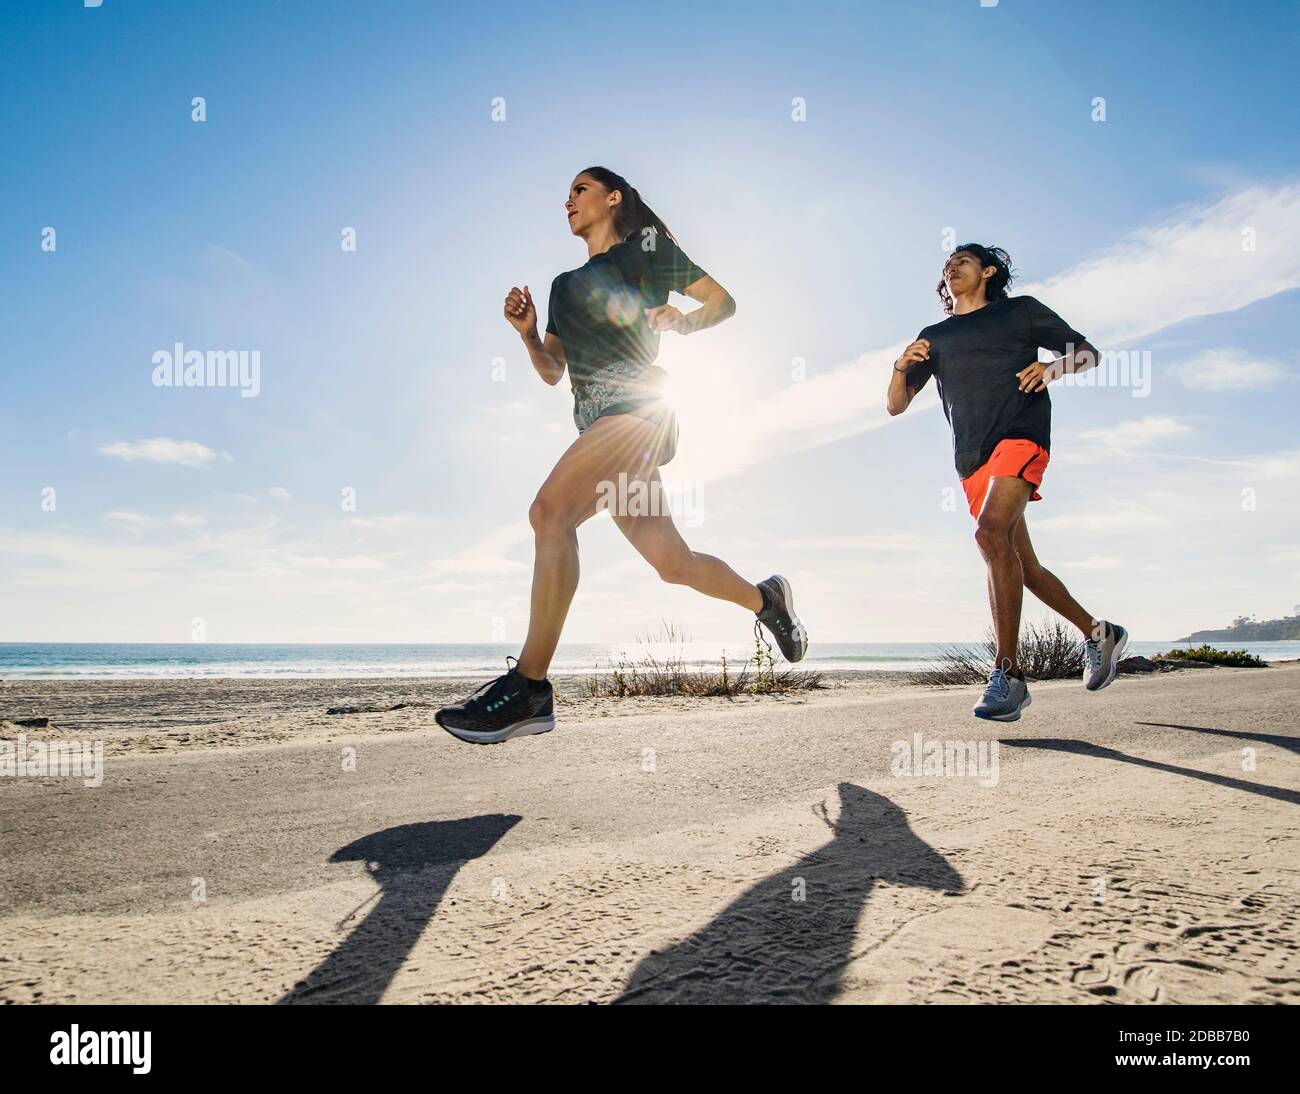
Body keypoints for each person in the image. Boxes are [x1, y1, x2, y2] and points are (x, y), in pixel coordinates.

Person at [436, 167, 807, 745]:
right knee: (672, 563)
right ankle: (767, 599)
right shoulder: (562, 285)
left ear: (613, 197)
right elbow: (555, 371)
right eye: (566, 194)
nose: (568, 201)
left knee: (549, 514)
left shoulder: (648, 251)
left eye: (579, 189)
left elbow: (722, 301)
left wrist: (685, 319)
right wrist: (528, 334)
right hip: (601, 424)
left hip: (639, 413)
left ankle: (530, 687)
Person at [887, 243, 1127, 721]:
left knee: (989, 533)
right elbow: (896, 405)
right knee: (1022, 564)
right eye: (947, 265)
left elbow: (1088, 354)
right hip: (971, 458)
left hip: (1021, 433)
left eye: (963, 261)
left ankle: (1009, 674)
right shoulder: (934, 336)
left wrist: (1052, 367)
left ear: (988, 271)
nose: (952, 268)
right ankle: (1100, 633)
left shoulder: (1020, 313)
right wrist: (899, 368)